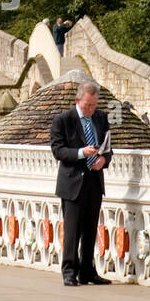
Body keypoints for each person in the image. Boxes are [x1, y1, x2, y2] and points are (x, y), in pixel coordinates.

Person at [49, 81, 114, 286]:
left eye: (94, 105)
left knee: (90, 228)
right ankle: (69, 271)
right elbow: (58, 150)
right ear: (78, 101)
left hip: (94, 181)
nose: (91, 110)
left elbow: (108, 148)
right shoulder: (63, 120)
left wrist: (103, 160)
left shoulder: (101, 118)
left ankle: (88, 271)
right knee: (72, 230)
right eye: (87, 106)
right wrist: (81, 153)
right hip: (73, 181)